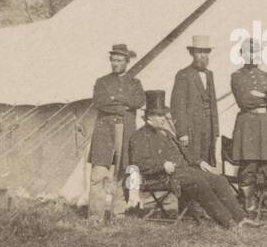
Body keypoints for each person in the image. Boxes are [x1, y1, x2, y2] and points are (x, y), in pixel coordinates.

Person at [129, 90, 254, 229]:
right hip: (161, 176)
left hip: (184, 172)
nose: (163, 118)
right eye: (159, 115)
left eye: (164, 114)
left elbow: (185, 153)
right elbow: (138, 163)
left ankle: (241, 218)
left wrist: (200, 162)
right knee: (199, 182)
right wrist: (162, 165)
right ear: (148, 117)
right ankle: (228, 222)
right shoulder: (139, 136)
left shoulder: (166, 132)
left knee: (219, 180)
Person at [86, 43, 146, 223]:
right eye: (113, 60)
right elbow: (99, 102)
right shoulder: (102, 82)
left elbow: (139, 102)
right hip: (104, 131)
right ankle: (95, 217)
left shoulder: (135, 83)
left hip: (126, 130)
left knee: (122, 172)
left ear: (127, 62)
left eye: (119, 60)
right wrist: (123, 104)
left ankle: (117, 214)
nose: (115, 63)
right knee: (99, 173)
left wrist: (115, 99)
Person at [230, 39, 267, 217]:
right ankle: (250, 210)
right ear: (243, 55)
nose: (254, 56)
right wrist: (266, 96)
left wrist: (262, 95)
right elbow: (245, 101)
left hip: (266, 124)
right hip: (248, 125)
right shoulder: (237, 76)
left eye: (257, 52)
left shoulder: (265, 75)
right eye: (250, 52)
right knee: (248, 169)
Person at [170, 34, 220, 167]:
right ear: (192, 53)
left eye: (205, 52)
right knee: (193, 162)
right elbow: (177, 106)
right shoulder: (183, 75)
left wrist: (215, 130)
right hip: (192, 129)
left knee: (207, 161)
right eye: (199, 52)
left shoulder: (210, 75)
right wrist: (182, 133)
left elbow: (213, 103)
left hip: (208, 128)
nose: (202, 55)